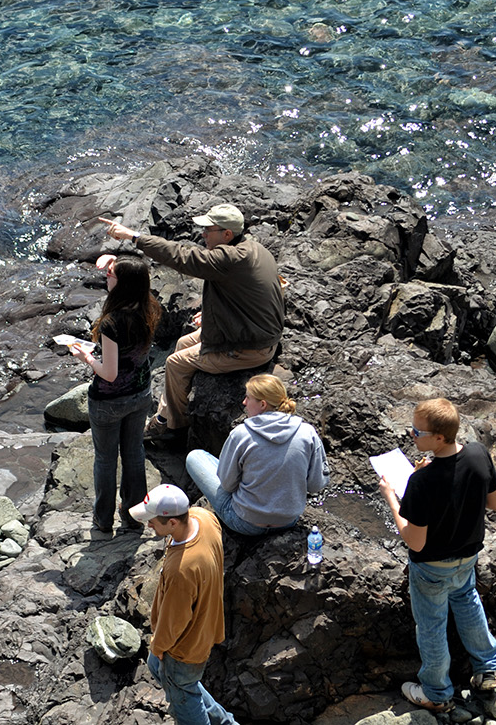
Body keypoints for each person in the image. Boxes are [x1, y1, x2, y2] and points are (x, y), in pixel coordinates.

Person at [99, 203, 284, 440]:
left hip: (250, 347)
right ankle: (177, 406)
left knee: (175, 363)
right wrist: (213, 313)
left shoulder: (229, 258)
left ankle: (170, 424)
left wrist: (134, 237)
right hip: (255, 331)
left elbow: (182, 256)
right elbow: (249, 294)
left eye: (209, 230)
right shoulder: (253, 248)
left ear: (227, 234)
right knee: (184, 343)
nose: (203, 234)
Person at [377, 398, 496, 714]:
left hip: (432, 565)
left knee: (432, 624)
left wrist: (392, 497)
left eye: (416, 431)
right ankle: (488, 668)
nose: (411, 436)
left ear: (438, 437)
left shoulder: (422, 482)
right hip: (468, 554)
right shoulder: (477, 454)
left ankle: (436, 692)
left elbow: (415, 541)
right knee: (466, 600)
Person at [130, 484, 239, 725]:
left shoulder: (182, 569)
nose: (148, 525)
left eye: (153, 521)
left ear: (172, 524)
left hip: (183, 649)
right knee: (180, 681)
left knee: (184, 697)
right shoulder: (204, 518)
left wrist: (158, 647)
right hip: (206, 627)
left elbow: (173, 623)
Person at [70, 253, 162, 533]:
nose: (106, 278)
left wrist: (84, 356)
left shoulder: (112, 323)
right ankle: (135, 517)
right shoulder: (150, 307)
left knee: (106, 459)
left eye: (111, 275)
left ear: (122, 284)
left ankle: (103, 519)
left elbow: (109, 372)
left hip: (110, 400)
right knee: (134, 452)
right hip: (141, 392)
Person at [185, 374, 327, 535]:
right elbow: (317, 484)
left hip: (244, 524)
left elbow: (227, 485)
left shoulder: (241, 434)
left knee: (195, 457)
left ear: (262, 404)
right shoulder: (307, 433)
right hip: (288, 521)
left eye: (248, 398)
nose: (244, 402)